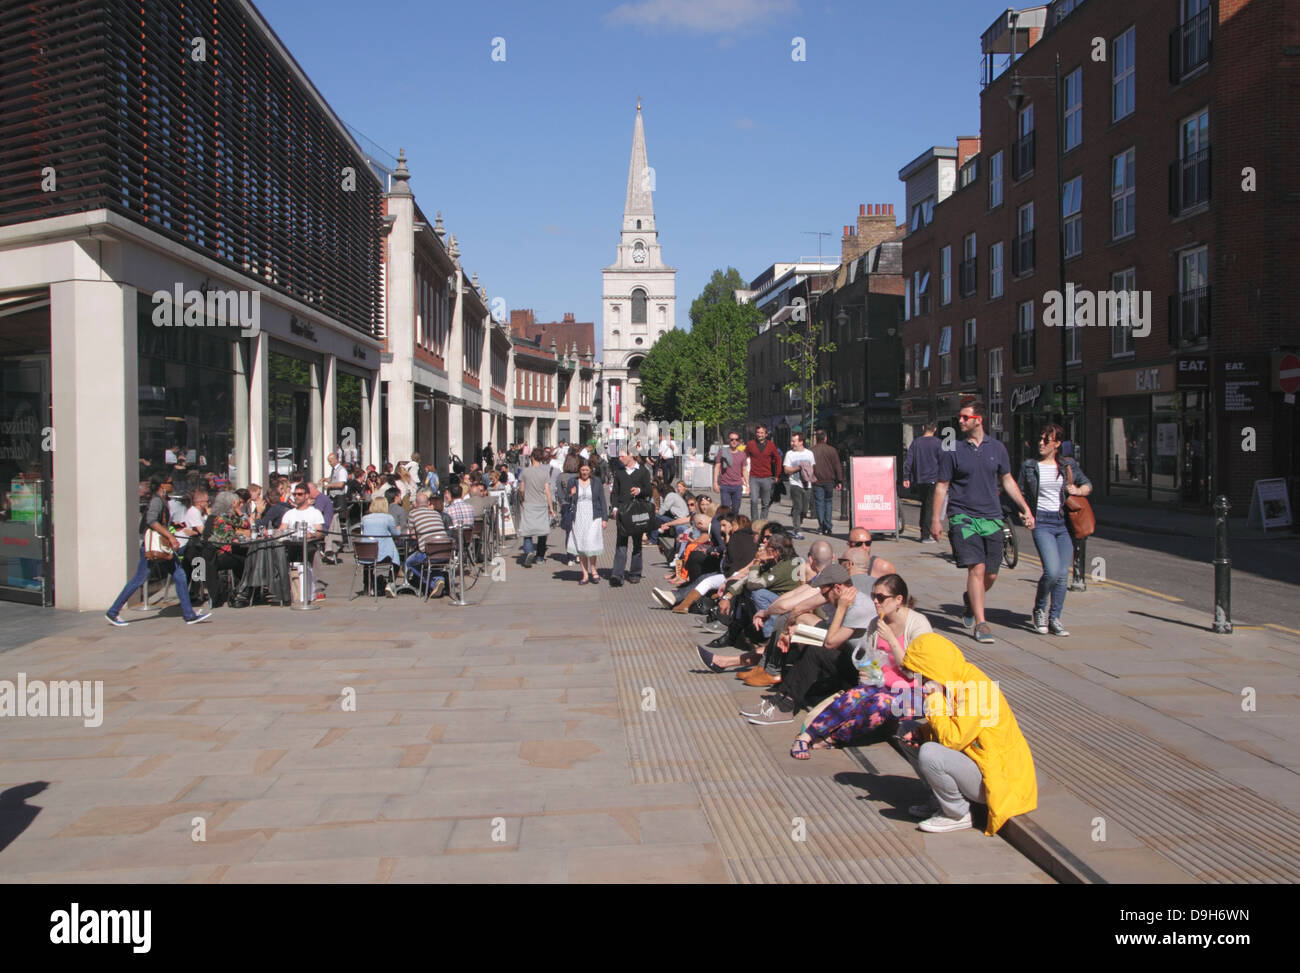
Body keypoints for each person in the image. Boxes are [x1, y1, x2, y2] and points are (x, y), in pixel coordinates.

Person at [898, 633, 1037, 834]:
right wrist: (922, 731)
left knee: (930, 752)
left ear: (933, 668)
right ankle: (939, 800)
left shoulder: (977, 689)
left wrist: (935, 700)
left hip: (998, 777)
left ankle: (957, 813)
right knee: (907, 730)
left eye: (922, 674)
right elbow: (956, 725)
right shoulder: (953, 679)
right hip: (975, 760)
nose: (921, 682)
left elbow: (952, 740)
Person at [789, 573, 932, 757]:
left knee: (881, 704)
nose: (875, 601)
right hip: (884, 683)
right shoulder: (877, 622)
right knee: (854, 695)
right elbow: (873, 659)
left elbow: (916, 672)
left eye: (881, 597)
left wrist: (891, 640)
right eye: (874, 596)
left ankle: (832, 738)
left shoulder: (918, 625)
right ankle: (806, 737)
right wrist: (868, 671)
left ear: (898, 599)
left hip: (915, 691)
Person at [931, 401, 1034, 644]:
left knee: (991, 574)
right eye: (960, 417)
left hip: (992, 517)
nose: (960, 421)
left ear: (979, 419)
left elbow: (1007, 480)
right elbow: (942, 486)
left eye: (965, 417)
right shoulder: (952, 449)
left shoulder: (997, 448)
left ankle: (970, 601)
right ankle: (981, 623)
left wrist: (1025, 508)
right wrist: (936, 519)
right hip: (963, 516)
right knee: (975, 568)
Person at [106, 472, 212, 626]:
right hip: (155, 546)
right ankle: (113, 612)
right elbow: (151, 520)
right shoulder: (157, 501)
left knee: (179, 575)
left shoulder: (162, 500)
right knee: (140, 578)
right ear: (163, 485)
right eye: (169, 483)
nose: (172, 486)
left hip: (161, 546)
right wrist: (170, 536)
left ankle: (189, 614)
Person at [1018, 422, 1092, 636]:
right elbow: (1021, 494)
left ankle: (1055, 618)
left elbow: (1088, 485)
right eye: (1040, 439)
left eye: (1046, 440)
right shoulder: (1030, 466)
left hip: (1063, 524)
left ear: (1057, 443)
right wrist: (1024, 513)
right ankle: (1040, 609)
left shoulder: (1068, 465)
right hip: (1042, 522)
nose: (1040, 443)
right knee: (1051, 571)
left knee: (1061, 575)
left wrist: (1077, 489)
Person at [609, 449, 653, 586]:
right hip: (622, 511)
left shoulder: (643, 471)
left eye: (622, 455)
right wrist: (615, 507)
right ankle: (617, 574)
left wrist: (639, 491)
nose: (620, 458)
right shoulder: (619, 472)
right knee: (621, 543)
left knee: (637, 544)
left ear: (631, 455)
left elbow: (649, 491)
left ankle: (635, 573)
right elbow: (614, 492)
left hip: (636, 511)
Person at [564, 458, 608, 585]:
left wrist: (604, 519)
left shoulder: (596, 482)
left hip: (593, 515)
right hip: (578, 516)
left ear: (590, 470)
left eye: (587, 470)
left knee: (591, 543)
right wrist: (571, 494)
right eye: (582, 470)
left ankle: (593, 569)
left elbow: (602, 500)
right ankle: (584, 574)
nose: (584, 472)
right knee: (582, 545)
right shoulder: (573, 481)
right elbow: (566, 498)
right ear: (579, 470)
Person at [902, 422, 943, 544]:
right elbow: (943, 461)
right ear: (935, 429)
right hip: (933, 479)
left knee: (925, 505)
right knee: (929, 506)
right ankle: (925, 535)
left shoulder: (916, 442)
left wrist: (906, 477)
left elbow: (908, 460)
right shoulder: (938, 443)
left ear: (923, 428)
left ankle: (924, 532)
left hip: (920, 480)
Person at [404, 490, 449, 598]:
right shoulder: (436, 513)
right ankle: (439, 579)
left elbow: (413, 535)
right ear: (428, 503)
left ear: (416, 503)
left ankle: (433, 583)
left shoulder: (413, 513)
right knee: (433, 560)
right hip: (446, 550)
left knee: (409, 562)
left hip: (429, 551)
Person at [359, 496, 403, 597]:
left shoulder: (365, 519)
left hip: (366, 552)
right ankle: (390, 583)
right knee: (396, 559)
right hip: (382, 554)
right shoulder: (388, 518)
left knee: (368, 563)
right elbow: (396, 533)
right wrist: (399, 529)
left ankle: (367, 586)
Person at [517, 452, 554, 568]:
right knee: (542, 532)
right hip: (541, 505)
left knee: (527, 531)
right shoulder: (545, 473)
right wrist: (551, 507)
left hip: (528, 504)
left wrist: (523, 499)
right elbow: (547, 492)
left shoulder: (525, 471)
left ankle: (529, 551)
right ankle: (540, 557)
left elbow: (521, 489)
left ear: (532, 458)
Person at [744, 424, 782, 522]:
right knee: (754, 500)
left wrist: (777, 475)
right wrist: (742, 472)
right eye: (758, 432)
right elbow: (743, 458)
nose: (759, 434)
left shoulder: (771, 445)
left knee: (765, 502)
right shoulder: (750, 444)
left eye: (762, 433)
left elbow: (778, 459)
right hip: (754, 477)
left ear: (766, 434)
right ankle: (755, 522)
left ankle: (763, 521)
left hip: (767, 477)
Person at [783, 432, 815, 539]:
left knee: (804, 509)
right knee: (798, 506)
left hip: (807, 484)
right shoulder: (789, 454)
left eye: (794, 441)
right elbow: (786, 470)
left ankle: (797, 525)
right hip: (794, 483)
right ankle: (797, 529)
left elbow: (812, 468)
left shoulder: (809, 453)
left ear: (801, 442)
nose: (792, 443)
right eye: (791, 441)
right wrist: (798, 468)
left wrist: (809, 476)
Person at [810, 430, 842, 535]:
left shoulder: (812, 451)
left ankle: (821, 525)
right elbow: (837, 466)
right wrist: (839, 480)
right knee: (828, 502)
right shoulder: (832, 450)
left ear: (816, 439)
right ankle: (828, 525)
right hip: (829, 480)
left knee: (819, 503)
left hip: (817, 480)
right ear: (825, 438)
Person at [713, 432, 746, 513]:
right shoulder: (722, 452)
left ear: (739, 441)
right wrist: (715, 483)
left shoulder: (742, 454)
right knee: (725, 510)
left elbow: (744, 470)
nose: (734, 441)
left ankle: (733, 525)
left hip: (737, 486)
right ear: (728, 440)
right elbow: (717, 467)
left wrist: (747, 483)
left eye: (736, 439)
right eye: (732, 439)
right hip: (725, 485)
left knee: (735, 510)